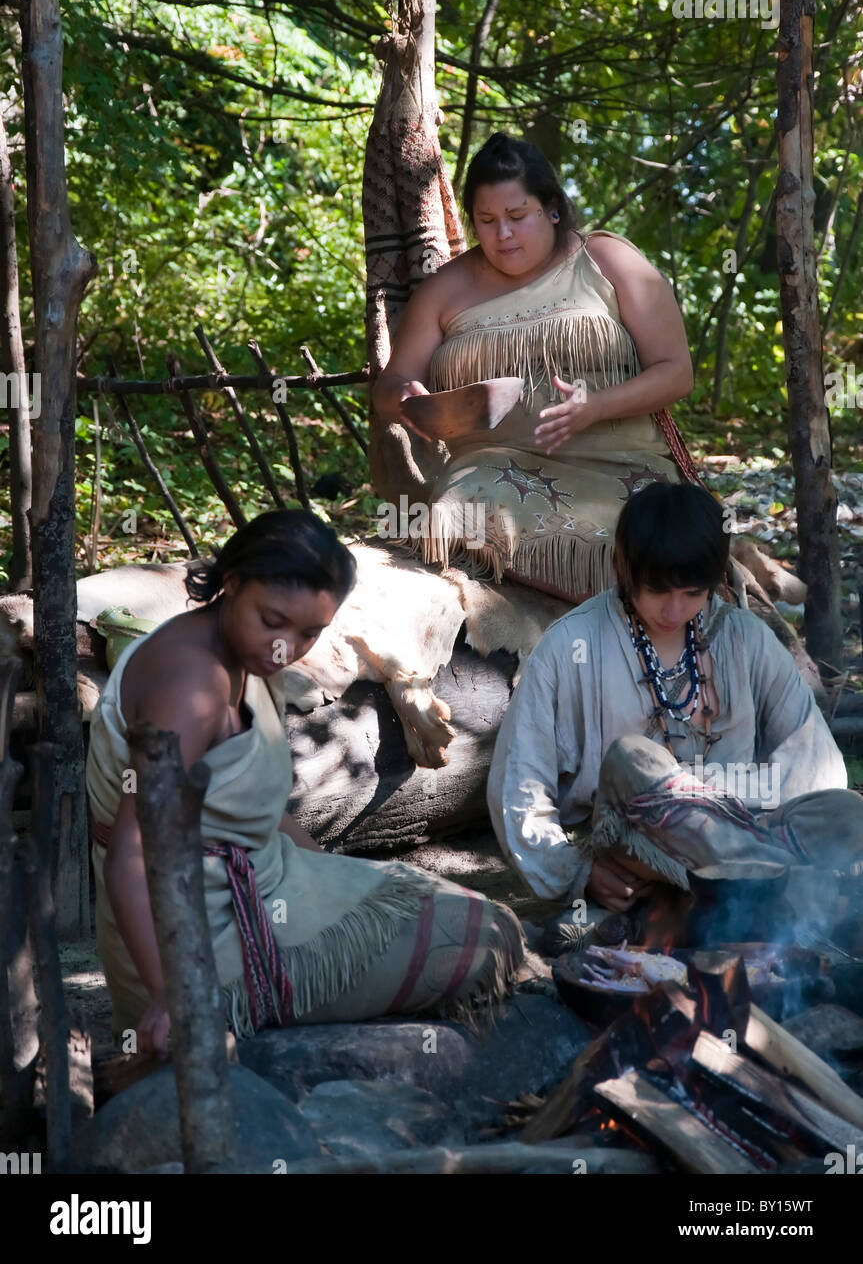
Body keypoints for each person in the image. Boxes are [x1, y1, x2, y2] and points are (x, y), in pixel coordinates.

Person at [87, 510, 523, 1051]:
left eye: (308, 633)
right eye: (273, 621)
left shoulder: (240, 649)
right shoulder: (189, 687)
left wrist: (335, 877)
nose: (284, 649)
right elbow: (133, 854)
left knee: (467, 909)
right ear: (232, 581)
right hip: (198, 937)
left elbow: (259, 812)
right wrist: (170, 998)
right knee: (487, 938)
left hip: (260, 882)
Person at [487, 482, 863, 949]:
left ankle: (728, 905)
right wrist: (580, 872)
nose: (674, 609)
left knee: (846, 811)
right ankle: (786, 904)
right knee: (632, 759)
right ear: (624, 570)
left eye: (692, 592)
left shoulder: (743, 638)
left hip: (744, 832)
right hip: (641, 853)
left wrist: (734, 804)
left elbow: (816, 763)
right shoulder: (570, 647)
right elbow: (520, 785)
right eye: (657, 590)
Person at [373, 132, 695, 603]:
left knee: (656, 543)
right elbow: (389, 387)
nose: (502, 234)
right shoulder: (445, 289)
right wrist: (407, 400)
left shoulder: (606, 260)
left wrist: (597, 406)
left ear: (553, 209)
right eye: (486, 220)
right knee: (460, 505)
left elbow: (676, 372)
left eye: (517, 216)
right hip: (492, 472)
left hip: (620, 468)